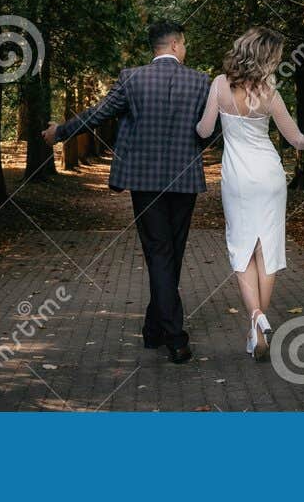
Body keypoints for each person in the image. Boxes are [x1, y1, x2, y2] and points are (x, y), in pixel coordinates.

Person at [43, 19, 211, 364]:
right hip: (184, 180)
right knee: (171, 252)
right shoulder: (201, 81)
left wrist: (61, 131)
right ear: (177, 45)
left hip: (145, 181)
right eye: (186, 44)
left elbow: (98, 114)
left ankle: (168, 334)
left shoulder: (131, 78)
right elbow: (210, 131)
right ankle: (163, 332)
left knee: (159, 253)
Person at [194, 26, 304, 361]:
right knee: (267, 251)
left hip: (238, 179)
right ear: (266, 57)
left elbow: (203, 130)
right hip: (270, 176)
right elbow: (298, 140)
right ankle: (257, 328)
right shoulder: (270, 92)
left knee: (241, 248)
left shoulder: (219, 85)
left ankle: (256, 316)